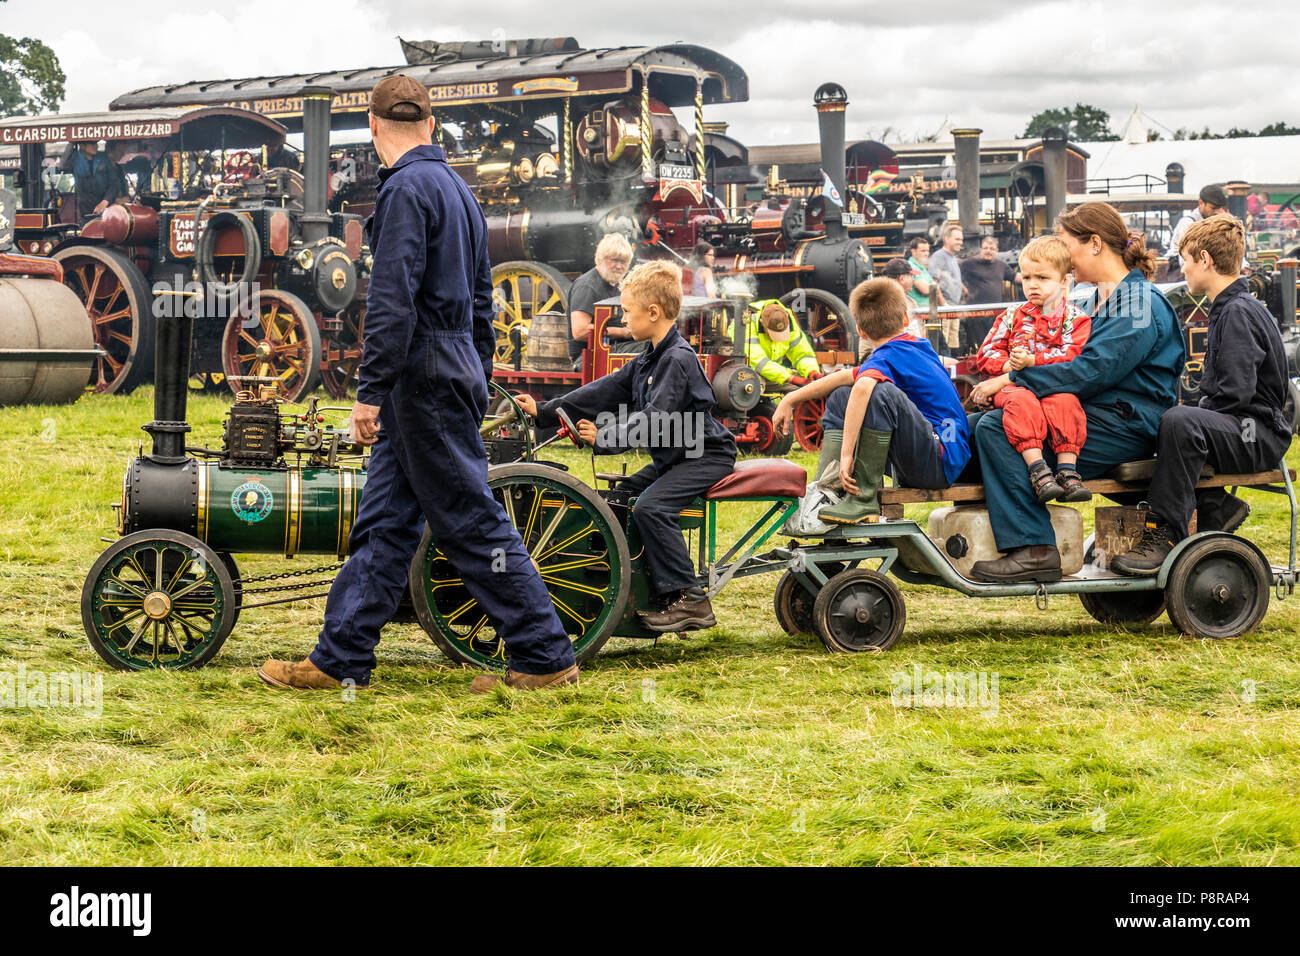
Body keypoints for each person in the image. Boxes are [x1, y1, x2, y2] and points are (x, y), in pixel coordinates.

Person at [258, 75, 579, 694]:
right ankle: (341, 658)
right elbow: (485, 297)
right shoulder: (459, 191)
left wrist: (370, 391)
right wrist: (477, 368)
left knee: (468, 518)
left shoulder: (404, 190)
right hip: (449, 363)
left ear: (374, 129)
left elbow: (391, 300)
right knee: (384, 522)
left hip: (419, 375)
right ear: (431, 124)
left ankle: (543, 656)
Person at [968, 201, 1185, 583]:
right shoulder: (1097, 297)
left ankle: (1034, 549)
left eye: (1067, 245)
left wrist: (1010, 382)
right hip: (1086, 410)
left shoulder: (1138, 303)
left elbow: (1091, 372)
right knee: (974, 426)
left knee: (996, 429)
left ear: (1096, 244)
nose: (1063, 256)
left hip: (1125, 423)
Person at [515, 261, 738, 632]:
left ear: (653, 312)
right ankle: (643, 585)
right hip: (678, 456)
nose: (622, 317)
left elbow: (656, 419)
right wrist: (544, 411)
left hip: (705, 456)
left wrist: (606, 436)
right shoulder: (649, 357)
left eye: (627, 310)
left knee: (651, 508)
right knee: (619, 497)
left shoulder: (677, 360)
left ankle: (691, 600)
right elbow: (600, 391)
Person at [1110, 215, 1293, 576]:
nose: (1184, 270)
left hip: (1256, 433)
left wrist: (1191, 414)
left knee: (1179, 420)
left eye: (1186, 262)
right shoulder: (1231, 307)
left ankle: (1166, 533)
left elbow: (1235, 393)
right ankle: (1213, 507)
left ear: (1206, 260)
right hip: (1245, 426)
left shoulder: (1238, 312)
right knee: (1173, 421)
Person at [771, 278, 970, 524]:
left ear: (860, 330)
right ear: (906, 320)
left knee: (878, 393)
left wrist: (846, 455)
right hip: (934, 454)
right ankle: (827, 492)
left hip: (940, 460)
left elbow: (865, 387)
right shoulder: (912, 347)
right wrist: (791, 398)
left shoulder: (887, 357)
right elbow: (845, 376)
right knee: (842, 394)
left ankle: (863, 499)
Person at [969, 236, 1092, 505]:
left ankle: (1068, 471)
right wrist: (1008, 366)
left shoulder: (1075, 318)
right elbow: (986, 352)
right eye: (1026, 277)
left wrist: (1033, 360)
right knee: (1021, 401)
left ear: (1064, 280)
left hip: (1050, 386)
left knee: (1066, 402)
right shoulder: (1012, 315)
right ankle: (1038, 470)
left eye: (1042, 277)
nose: (1032, 284)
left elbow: (1072, 353)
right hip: (1013, 388)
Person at [568, 233, 635, 366]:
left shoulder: (618, 285)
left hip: (615, 348)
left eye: (623, 262)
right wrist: (623, 332)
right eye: (615, 260)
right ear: (600, 259)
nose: (619, 266)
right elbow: (580, 332)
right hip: (588, 356)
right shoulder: (587, 286)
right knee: (649, 348)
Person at [730, 298, 821, 390]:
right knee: (753, 387)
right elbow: (758, 361)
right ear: (762, 322)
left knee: (810, 387)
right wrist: (789, 377)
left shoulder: (787, 316)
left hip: (775, 373)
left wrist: (811, 370)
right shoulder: (746, 321)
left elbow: (802, 353)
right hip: (748, 372)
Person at [961, 235, 1020, 345]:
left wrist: (1035, 277)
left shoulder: (1001, 265)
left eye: (991, 249)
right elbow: (953, 274)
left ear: (996, 251)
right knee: (978, 344)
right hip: (975, 314)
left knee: (994, 342)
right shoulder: (968, 263)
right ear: (981, 249)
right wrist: (961, 287)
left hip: (995, 313)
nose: (988, 251)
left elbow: (1016, 278)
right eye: (985, 248)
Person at [1169, 184, 1228, 267]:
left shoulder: (1216, 223)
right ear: (1201, 203)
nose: (1217, 212)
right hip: (1181, 269)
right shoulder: (1187, 224)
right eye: (1213, 208)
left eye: (1219, 208)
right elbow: (1185, 258)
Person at [59, 141, 114, 223]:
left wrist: (105, 201)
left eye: (96, 143)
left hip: (105, 207)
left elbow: (114, 183)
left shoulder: (103, 158)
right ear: (82, 145)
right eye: (92, 143)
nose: (96, 146)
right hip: (84, 208)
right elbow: (62, 166)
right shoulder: (75, 158)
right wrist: (71, 143)